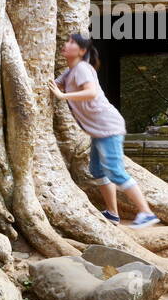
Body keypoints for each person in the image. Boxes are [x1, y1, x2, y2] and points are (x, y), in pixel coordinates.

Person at [50, 32, 160, 228]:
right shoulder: (70, 71)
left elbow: (91, 92)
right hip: (98, 130)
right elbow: (54, 84)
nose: (66, 44)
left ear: (82, 51)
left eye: (72, 42)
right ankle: (112, 213)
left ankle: (146, 213)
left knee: (115, 171)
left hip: (108, 126)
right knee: (97, 169)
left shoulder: (82, 68)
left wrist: (62, 96)